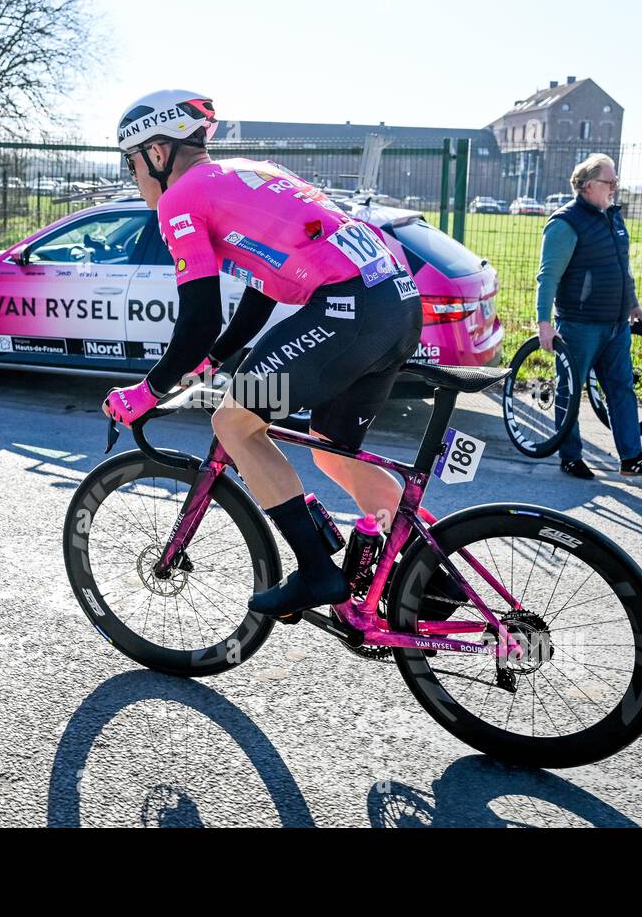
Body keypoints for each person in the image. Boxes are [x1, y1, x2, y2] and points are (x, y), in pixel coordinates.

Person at [101, 90, 423, 618]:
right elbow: (261, 285)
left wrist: (148, 391)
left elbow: (198, 318)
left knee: (234, 422)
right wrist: (215, 359)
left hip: (349, 309)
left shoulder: (180, 199)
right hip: (396, 302)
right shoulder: (249, 170)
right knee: (331, 451)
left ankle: (318, 571)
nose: (133, 175)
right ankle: (432, 575)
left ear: (158, 155)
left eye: (131, 161)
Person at [536, 152, 642, 478]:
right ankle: (570, 457)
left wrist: (632, 302)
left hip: (615, 323)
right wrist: (543, 324)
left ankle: (632, 458)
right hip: (579, 325)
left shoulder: (613, 217)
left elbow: (622, 268)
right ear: (587, 186)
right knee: (570, 390)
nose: (615, 187)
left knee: (622, 388)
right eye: (609, 182)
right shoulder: (565, 223)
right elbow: (548, 276)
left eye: (616, 181)